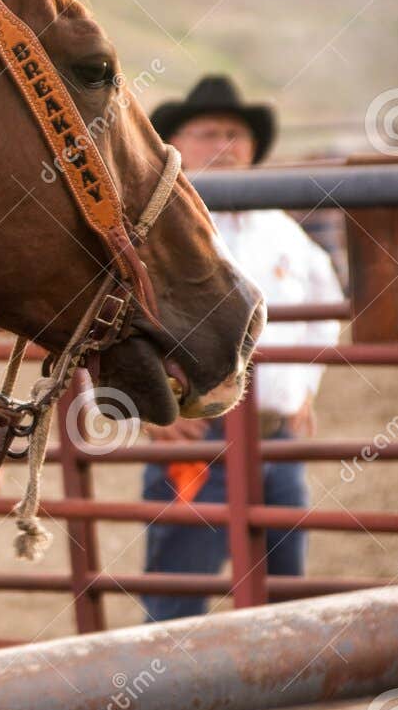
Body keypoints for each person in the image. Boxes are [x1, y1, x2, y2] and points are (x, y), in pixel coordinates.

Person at [139, 76, 343, 622]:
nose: (225, 146)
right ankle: (168, 703)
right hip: (197, 441)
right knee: (177, 597)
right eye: (208, 133)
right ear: (174, 144)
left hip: (276, 443)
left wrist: (303, 387)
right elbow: (103, 315)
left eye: (235, 134)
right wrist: (139, 402)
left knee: (282, 597)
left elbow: (328, 311)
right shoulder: (153, 231)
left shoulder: (285, 233)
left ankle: (280, 705)